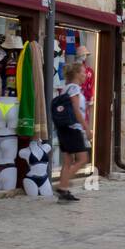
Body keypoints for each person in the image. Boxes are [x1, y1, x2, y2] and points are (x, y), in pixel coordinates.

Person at [54, 62, 90, 203]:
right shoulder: (74, 88)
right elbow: (76, 110)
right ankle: (62, 186)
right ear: (76, 74)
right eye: (82, 72)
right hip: (72, 128)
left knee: (68, 161)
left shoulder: (66, 88)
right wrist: (86, 128)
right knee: (83, 159)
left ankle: (64, 192)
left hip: (64, 128)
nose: (85, 74)